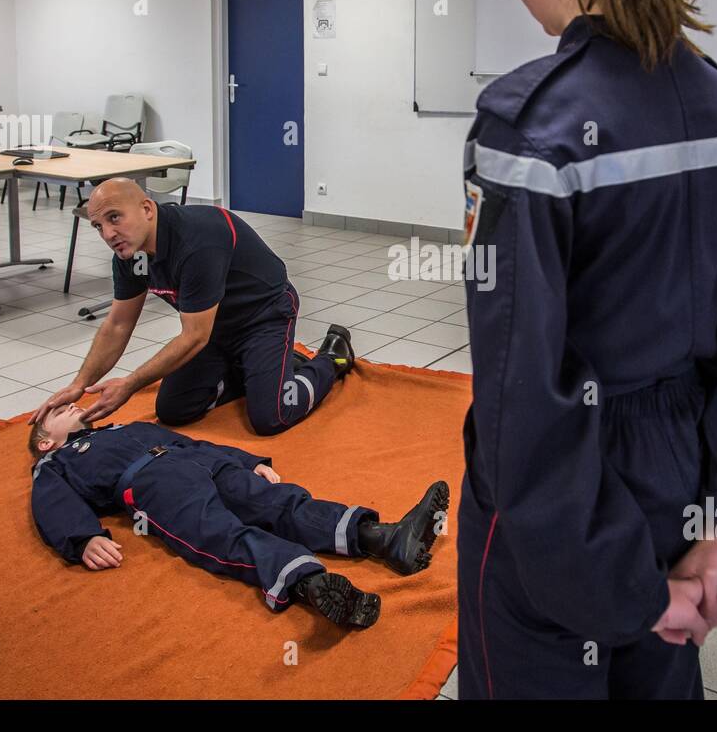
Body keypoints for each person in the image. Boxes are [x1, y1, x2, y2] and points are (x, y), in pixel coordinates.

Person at [456, 0, 717, 699]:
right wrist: (714, 536)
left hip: (565, 506)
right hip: (680, 476)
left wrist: (626, 589)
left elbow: (522, 399)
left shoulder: (527, 130)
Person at [29, 403, 450, 628]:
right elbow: (53, 504)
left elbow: (188, 440)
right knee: (221, 532)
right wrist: (82, 537)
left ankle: (383, 536)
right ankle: (310, 583)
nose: (72, 406)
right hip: (152, 485)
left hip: (200, 461)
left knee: (280, 502)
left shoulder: (122, 428)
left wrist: (246, 461)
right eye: (59, 412)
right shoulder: (55, 463)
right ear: (46, 441)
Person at [30, 179, 354, 435]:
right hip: (214, 327)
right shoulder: (130, 255)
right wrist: (77, 385)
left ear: (147, 209)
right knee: (174, 410)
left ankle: (331, 358)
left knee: (272, 416)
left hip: (264, 315)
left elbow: (194, 336)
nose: (108, 234)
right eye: (98, 226)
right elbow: (118, 325)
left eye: (114, 218)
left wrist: (130, 384)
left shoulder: (197, 239)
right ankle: (259, 369)